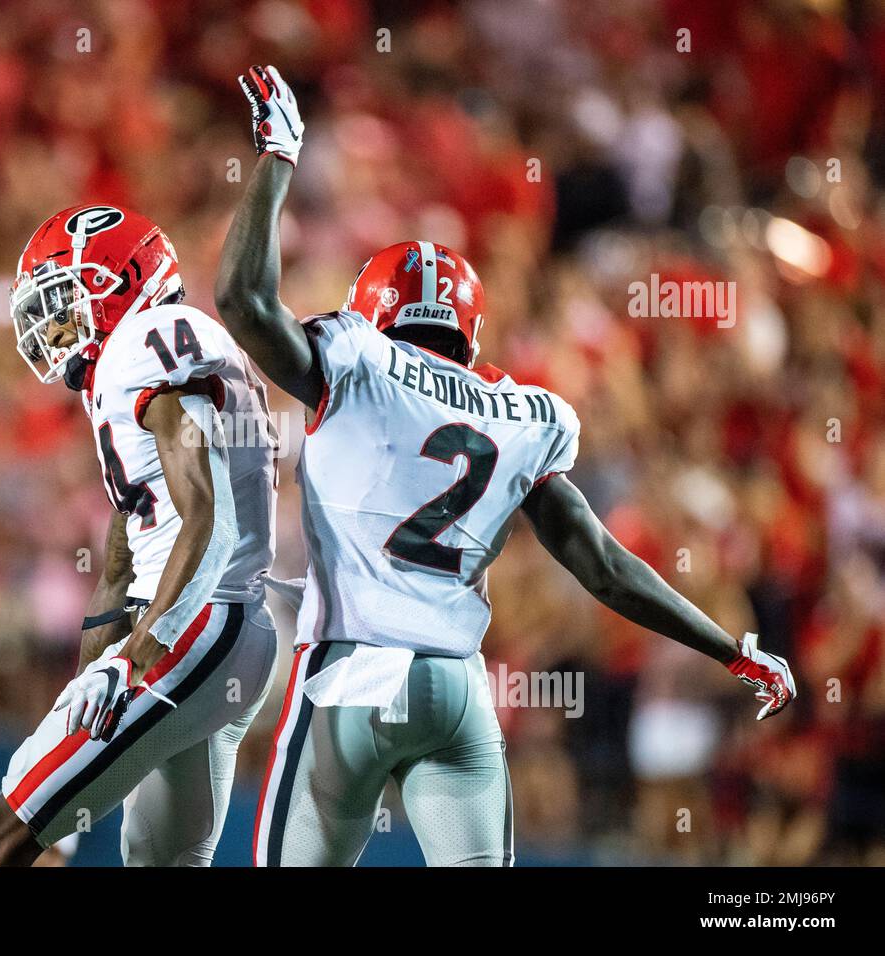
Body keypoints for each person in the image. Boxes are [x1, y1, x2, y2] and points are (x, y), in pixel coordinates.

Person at [214, 66, 796, 867]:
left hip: (352, 671)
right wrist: (730, 646)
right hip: (456, 691)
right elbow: (603, 567)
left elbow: (242, 299)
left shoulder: (356, 358)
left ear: (373, 310)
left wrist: (278, 155)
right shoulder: (525, 410)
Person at [0, 203, 279, 866]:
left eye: (65, 301)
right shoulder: (139, 359)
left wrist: (136, 656)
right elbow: (126, 550)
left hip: (191, 622)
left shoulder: (144, 343)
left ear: (117, 287)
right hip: (225, 627)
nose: (51, 325)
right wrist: (77, 710)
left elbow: (203, 518)